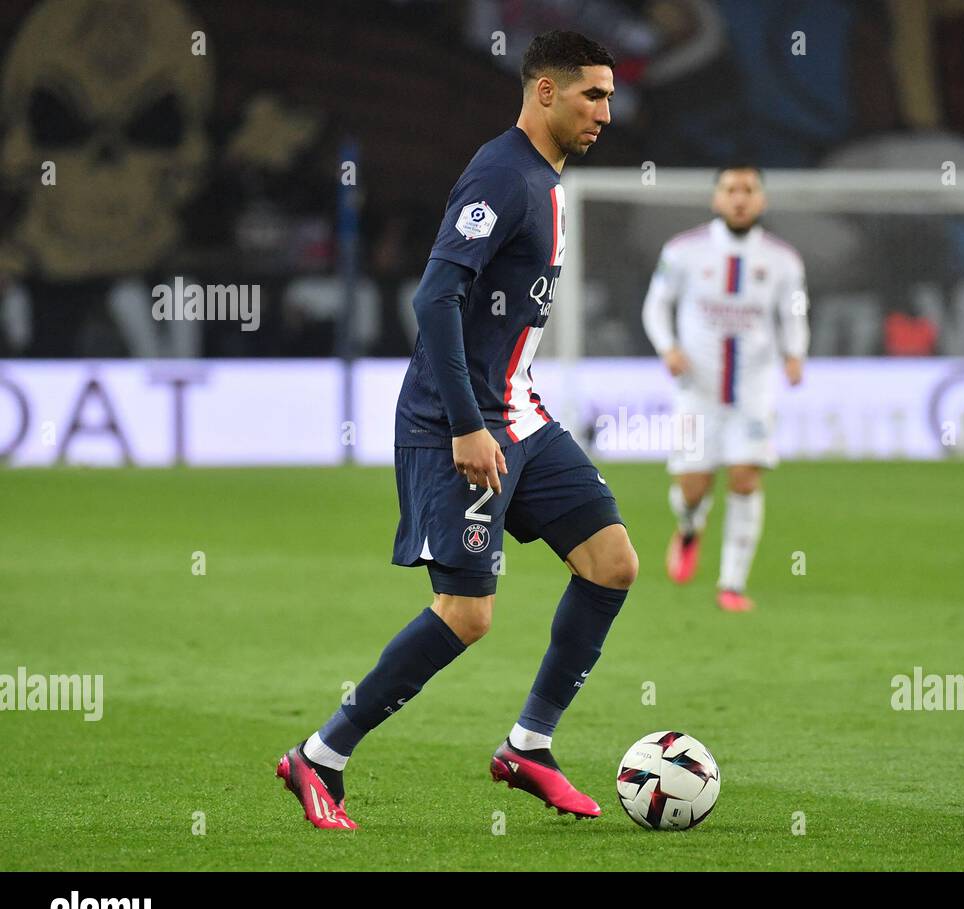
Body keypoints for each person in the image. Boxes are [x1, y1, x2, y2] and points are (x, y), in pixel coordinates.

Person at [276, 31, 636, 829]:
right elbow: (433, 300)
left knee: (611, 562)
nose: (606, 111)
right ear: (545, 91)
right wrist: (470, 428)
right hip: (457, 421)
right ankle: (320, 756)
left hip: (520, 413)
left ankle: (528, 746)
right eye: (593, 94)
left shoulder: (544, 178)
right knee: (467, 615)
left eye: (609, 95)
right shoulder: (503, 175)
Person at [642, 164, 808, 611]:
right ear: (716, 198)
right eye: (730, 189)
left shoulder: (783, 260)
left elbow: (793, 313)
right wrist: (668, 348)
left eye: (748, 189)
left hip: (754, 387)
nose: (739, 197)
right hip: (697, 388)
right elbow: (656, 306)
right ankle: (690, 526)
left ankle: (731, 584)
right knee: (693, 487)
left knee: (744, 476)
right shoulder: (682, 251)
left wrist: (795, 353)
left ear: (762, 200)